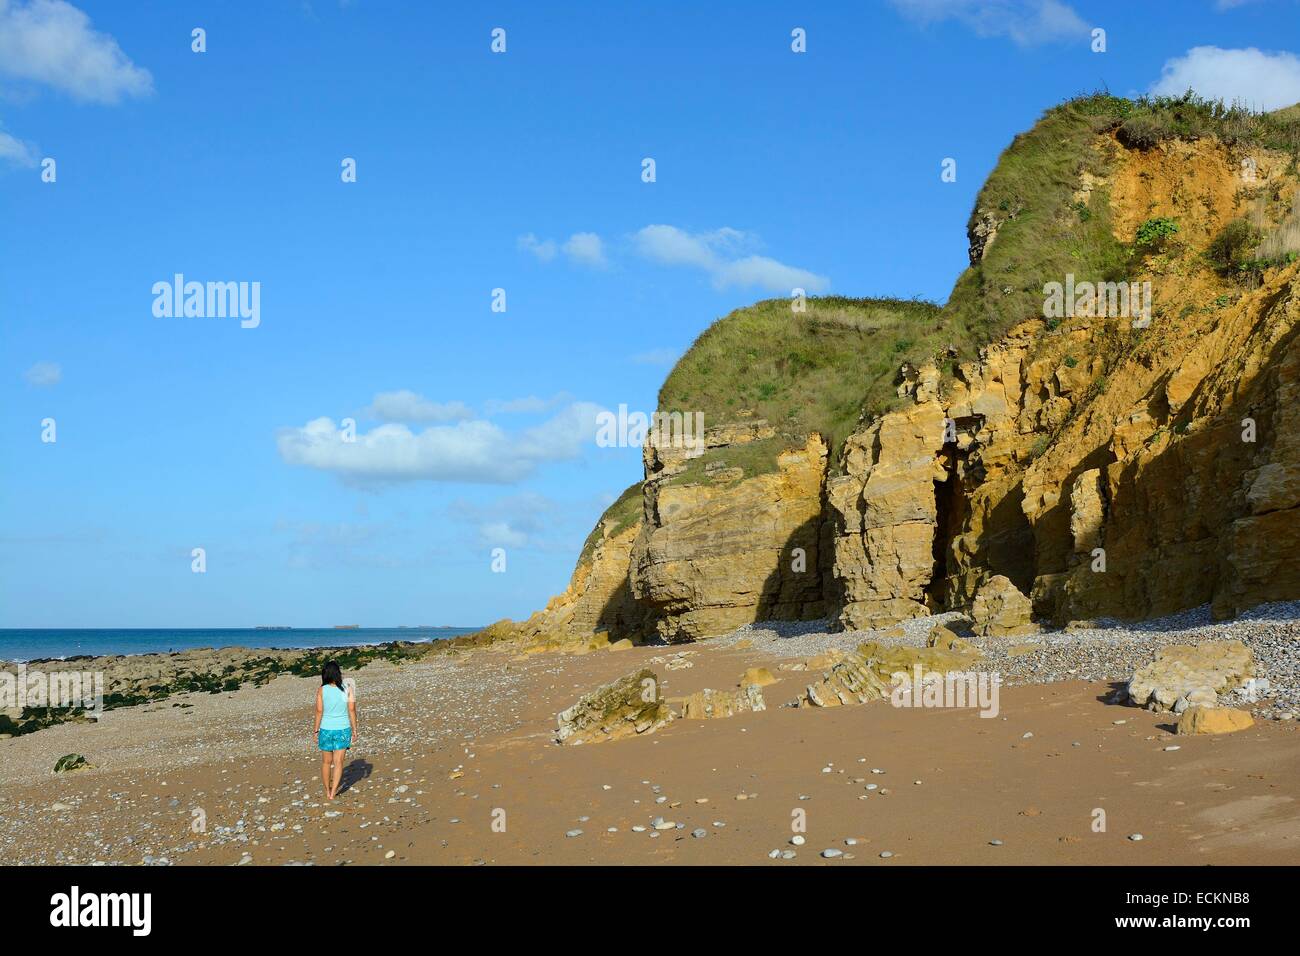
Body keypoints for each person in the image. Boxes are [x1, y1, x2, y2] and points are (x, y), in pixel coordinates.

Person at [314, 661, 357, 800]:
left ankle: (327, 790)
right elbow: (352, 710)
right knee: (338, 762)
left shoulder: (322, 690)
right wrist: (355, 730)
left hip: (326, 729)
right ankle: (333, 793)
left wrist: (315, 730)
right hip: (343, 729)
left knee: (326, 762)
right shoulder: (348, 688)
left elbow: (319, 711)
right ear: (338, 673)